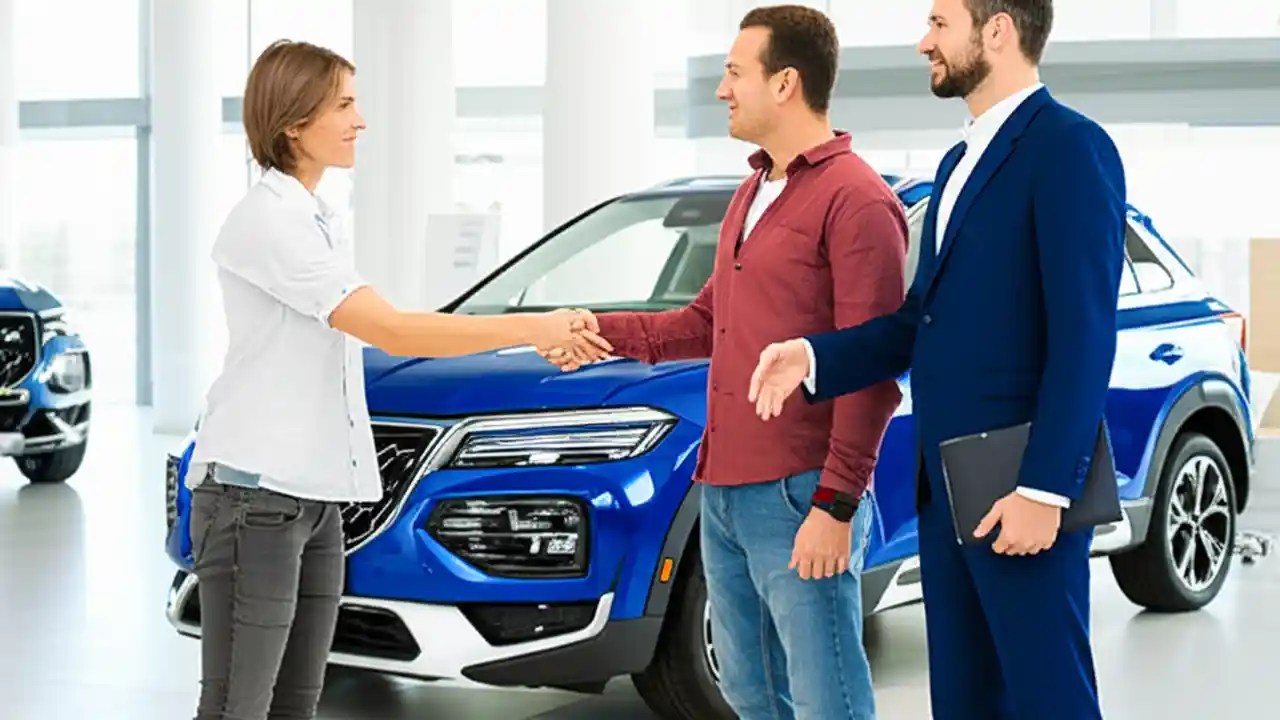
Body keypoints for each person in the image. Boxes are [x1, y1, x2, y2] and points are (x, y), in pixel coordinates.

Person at [184, 40, 611, 720]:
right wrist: (532, 329)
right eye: (344, 105)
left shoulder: (317, 217)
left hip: (314, 498)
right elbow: (394, 331)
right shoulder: (270, 221)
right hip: (254, 498)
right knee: (240, 705)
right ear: (294, 123)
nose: (361, 121)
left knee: (296, 702)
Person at [747, 1, 1126, 718]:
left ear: (998, 31)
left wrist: (1046, 490)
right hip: (946, 485)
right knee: (962, 699)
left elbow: (1084, 337)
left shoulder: (1071, 148)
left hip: (1018, 485)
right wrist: (813, 356)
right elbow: (920, 320)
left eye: (939, 23)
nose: (924, 42)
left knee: (1049, 698)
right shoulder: (956, 164)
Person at [550, 6, 906, 719]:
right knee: (747, 694)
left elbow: (874, 366)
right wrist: (597, 330)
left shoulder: (858, 200)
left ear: (786, 84)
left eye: (735, 72)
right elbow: (704, 324)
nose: (722, 89)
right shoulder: (753, 191)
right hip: (723, 489)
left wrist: (835, 504)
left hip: (800, 493)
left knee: (827, 697)